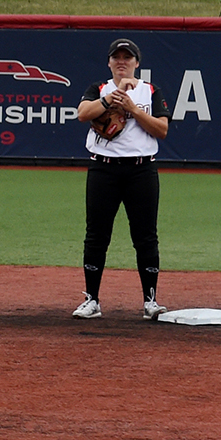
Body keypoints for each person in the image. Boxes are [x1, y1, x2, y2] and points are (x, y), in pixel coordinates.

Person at [72, 37, 169, 320]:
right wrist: (107, 101)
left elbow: (162, 130)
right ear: (109, 62)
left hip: (141, 170)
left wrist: (134, 109)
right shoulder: (99, 89)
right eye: (117, 57)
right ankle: (92, 299)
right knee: (96, 235)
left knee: (146, 236)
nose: (122, 62)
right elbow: (82, 114)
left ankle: (150, 300)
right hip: (104, 169)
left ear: (137, 63)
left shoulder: (150, 91)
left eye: (127, 58)